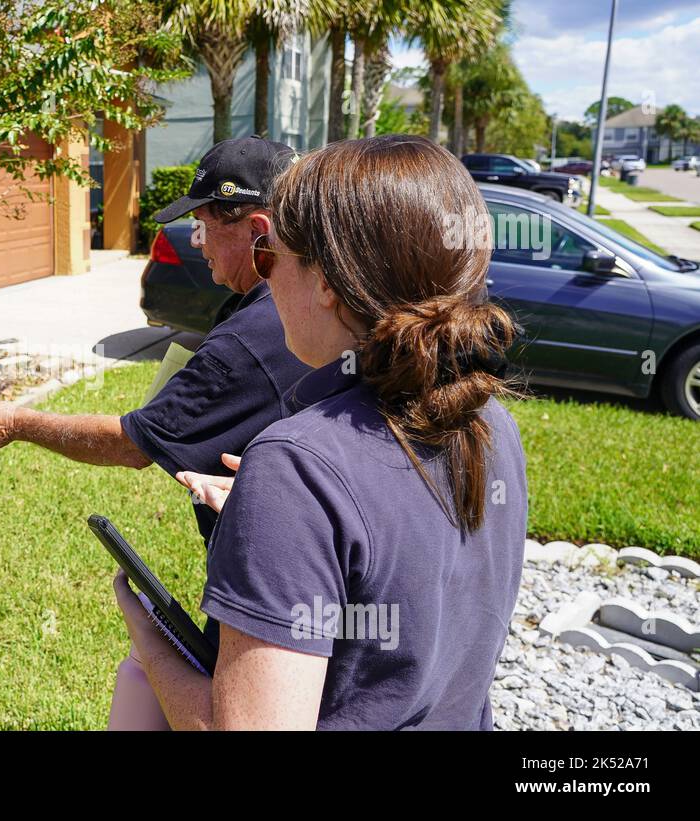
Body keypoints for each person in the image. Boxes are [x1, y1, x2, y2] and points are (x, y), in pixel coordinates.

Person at [115, 135, 528, 730]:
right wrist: (291, 527)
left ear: (328, 283)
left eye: (268, 256)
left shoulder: (296, 468)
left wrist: (151, 641)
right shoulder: (491, 421)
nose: (264, 282)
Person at [0, 136, 310, 550]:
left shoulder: (246, 340)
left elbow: (133, 444)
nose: (199, 243)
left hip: (266, 573)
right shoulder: (320, 300)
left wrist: (16, 422)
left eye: (203, 227)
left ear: (257, 230)